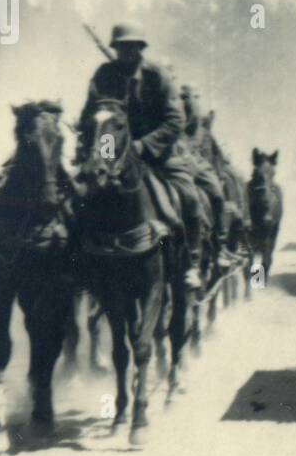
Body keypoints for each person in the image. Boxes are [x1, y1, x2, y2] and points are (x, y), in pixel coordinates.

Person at [76, 24, 208, 288]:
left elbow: (174, 120)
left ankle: (190, 264)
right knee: (77, 197)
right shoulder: (104, 75)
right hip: (112, 154)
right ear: (116, 48)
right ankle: (79, 266)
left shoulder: (157, 76)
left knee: (191, 200)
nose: (127, 52)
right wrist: (101, 147)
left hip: (156, 156)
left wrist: (141, 146)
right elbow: (89, 115)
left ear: (140, 49)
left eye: (132, 46)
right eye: (122, 46)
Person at [179, 85, 232, 268]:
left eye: (190, 98)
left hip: (192, 161)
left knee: (217, 194)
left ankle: (221, 243)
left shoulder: (199, 123)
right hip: (161, 157)